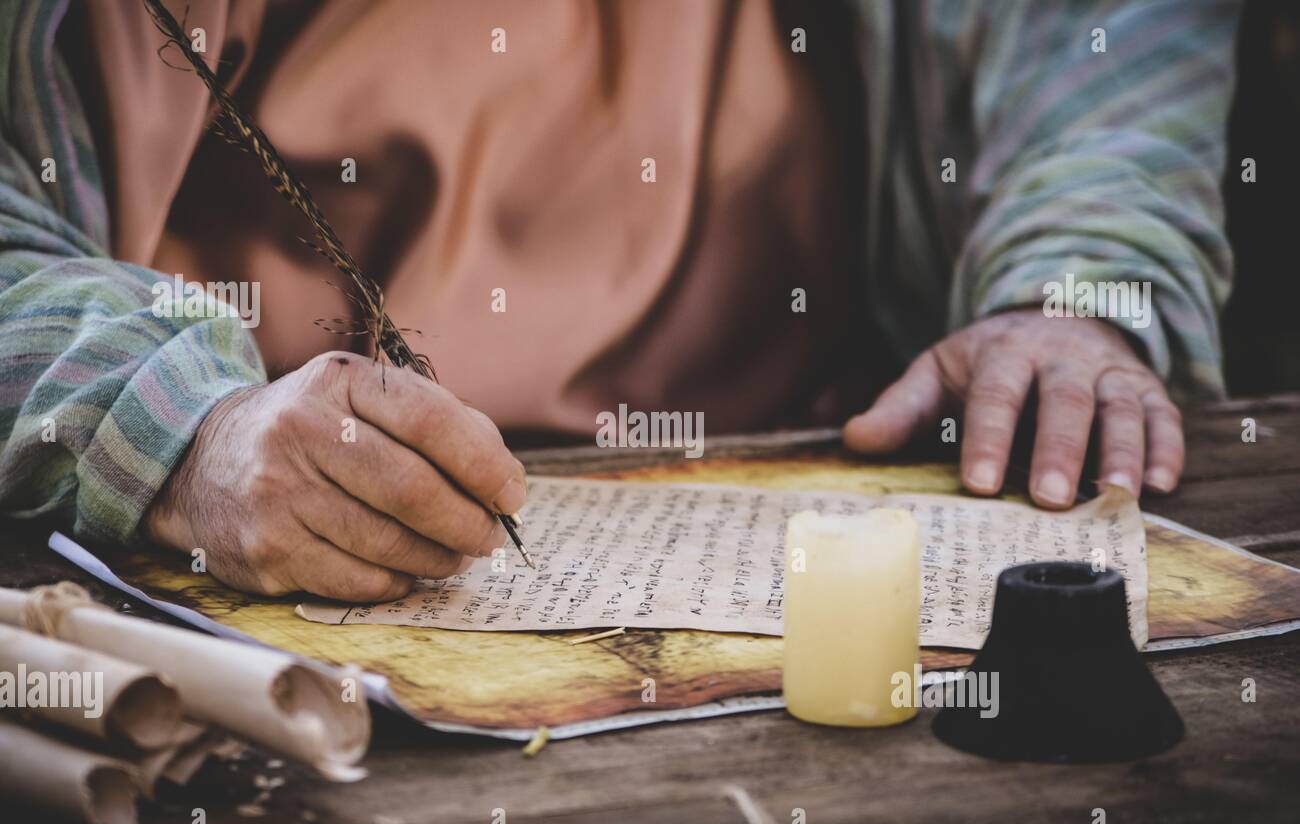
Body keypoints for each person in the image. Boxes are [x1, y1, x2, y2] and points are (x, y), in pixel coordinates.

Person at [0, 0, 1239, 600]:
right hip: (260, 574)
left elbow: (1105, 43)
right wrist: (183, 433)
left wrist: (1068, 289)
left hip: (824, 507)